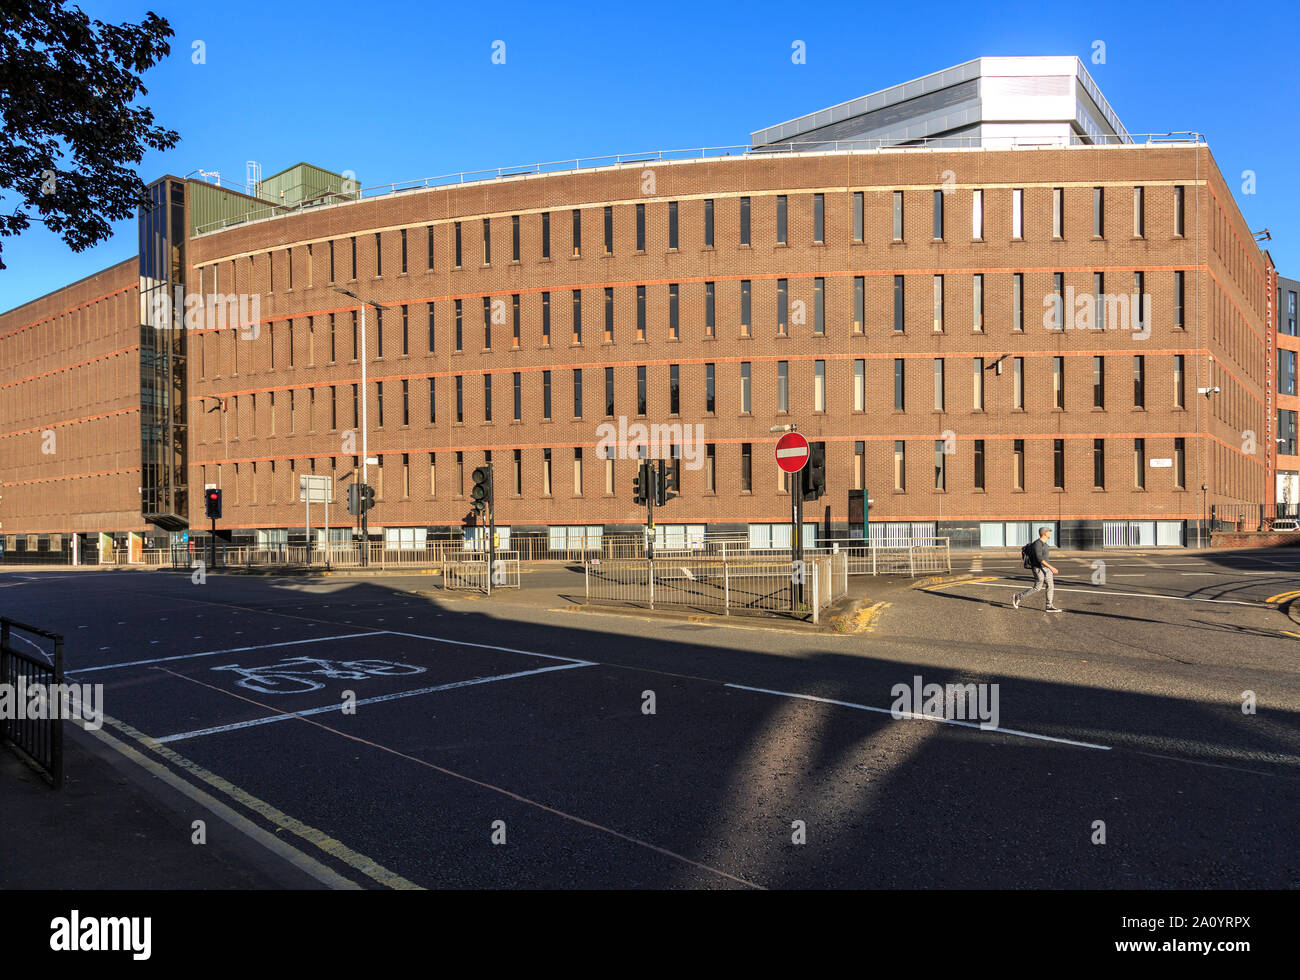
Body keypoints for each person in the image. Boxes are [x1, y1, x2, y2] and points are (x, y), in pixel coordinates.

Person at [1013, 527, 1063, 612]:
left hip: (1046, 569)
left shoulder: (1045, 544)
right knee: (1037, 588)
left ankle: (1049, 606)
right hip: (1039, 569)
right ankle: (1018, 597)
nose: (1050, 533)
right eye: (1049, 532)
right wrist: (1052, 567)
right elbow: (1039, 559)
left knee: (1050, 586)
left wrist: (1049, 568)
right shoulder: (1037, 544)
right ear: (1044, 533)